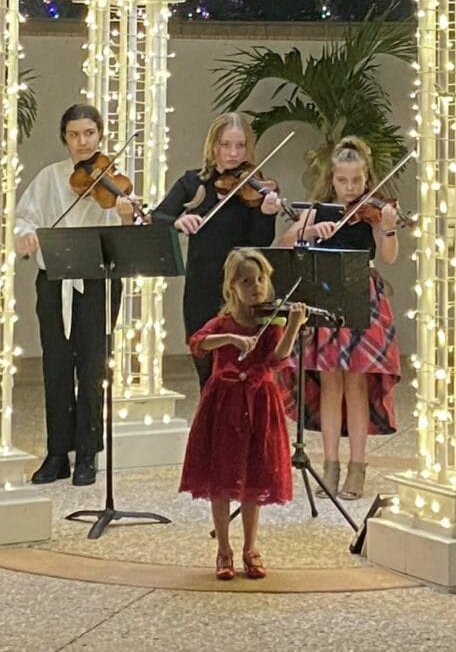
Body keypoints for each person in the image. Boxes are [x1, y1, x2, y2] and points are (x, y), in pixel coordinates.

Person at [15, 103, 136, 487]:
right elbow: (23, 217)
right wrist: (26, 234)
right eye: (74, 134)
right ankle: (56, 454)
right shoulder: (50, 177)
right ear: (64, 138)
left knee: (92, 366)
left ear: (100, 136)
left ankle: (88, 453)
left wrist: (125, 213)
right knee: (56, 366)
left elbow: (128, 235)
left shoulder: (113, 181)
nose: (82, 142)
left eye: (89, 134)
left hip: (97, 282)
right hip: (54, 282)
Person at [274, 136, 401, 500]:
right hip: (326, 294)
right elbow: (285, 242)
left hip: (363, 294)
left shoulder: (373, 210)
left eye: (356, 181)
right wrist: (310, 231)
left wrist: (389, 227)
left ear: (366, 179)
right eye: (342, 181)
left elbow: (389, 255)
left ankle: (357, 467)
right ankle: (329, 464)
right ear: (332, 179)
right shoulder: (318, 209)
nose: (349, 188)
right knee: (330, 383)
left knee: (356, 384)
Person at [179, 247, 306, 580]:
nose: (256, 287)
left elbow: (277, 358)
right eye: (247, 281)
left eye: (261, 279)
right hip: (223, 404)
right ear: (231, 287)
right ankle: (224, 549)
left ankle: (251, 547)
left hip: (260, 401)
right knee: (220, 479)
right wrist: (230, 338)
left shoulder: (271, 320)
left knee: (254, 477)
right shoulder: (223, 321)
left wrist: (293, 324)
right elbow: (197, 342)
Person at [152, 113, 282, 390]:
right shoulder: (192, 184)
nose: (234, 154)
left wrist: (266, 214)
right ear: (213, 147)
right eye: (226, 145)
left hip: (243, 291)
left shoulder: (254, 188)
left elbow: (261, 242)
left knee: (245, 372)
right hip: (202, 287)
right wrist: (178, 221)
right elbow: (157, 217)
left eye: (240, 146)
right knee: (207, 372)